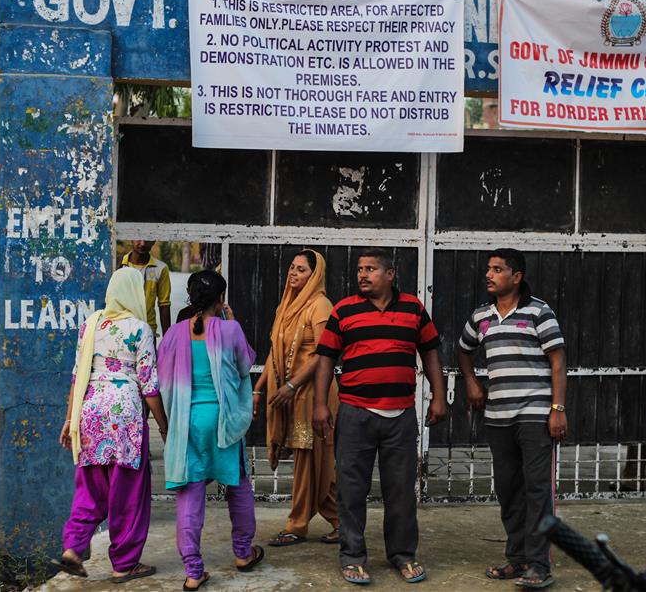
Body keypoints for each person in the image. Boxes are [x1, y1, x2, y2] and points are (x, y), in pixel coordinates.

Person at [313, 248, 447, 585]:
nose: (363, 274)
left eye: (371, 269)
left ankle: (402, 554)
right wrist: (320, 404)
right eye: (360, 269)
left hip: (400, 415)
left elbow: (431, 352)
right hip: (355, 413)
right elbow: (326, 358)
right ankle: (352, 557)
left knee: (401, 491)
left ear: (390, 275)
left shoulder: (413, 308)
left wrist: (438, 396)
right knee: (351, 491)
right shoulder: (344, 310)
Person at [457, 248, 566, 590]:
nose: (488, 275)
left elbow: (558, 361)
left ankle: (539, 565)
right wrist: (471, 382)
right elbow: (463, 349)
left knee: (537, 491)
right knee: (508, 490)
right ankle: (517, 558)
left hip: (535, 415)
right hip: (497, 417)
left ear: (516, 276)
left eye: (497, 269)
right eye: (488, 269)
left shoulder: (538, 311)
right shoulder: (481, 316)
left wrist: (558, 409)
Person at [53, 267, 169, 584]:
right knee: (128, 493)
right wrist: (163, 424)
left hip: (90, 413)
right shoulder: (140, 329)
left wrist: (69, 419)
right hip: (124, 417)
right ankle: (125, 564)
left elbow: (77, 376)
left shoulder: (91, 324)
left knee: (90, 487)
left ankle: (74, 548)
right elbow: (149, 385)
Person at [157, 270, 264, 591]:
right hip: (223, 420)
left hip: (187, 422)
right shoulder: (230, 330)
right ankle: (243, 553)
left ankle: (193, 571)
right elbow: (245, 365)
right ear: (220, 299)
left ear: (191, 298)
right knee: (237, 484)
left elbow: (162, 378)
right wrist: (231, 319)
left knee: (190, 492)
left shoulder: (174, 334)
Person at [253, 249, 341, 547]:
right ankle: (342, 521)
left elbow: (324, 353)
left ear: (314, 275)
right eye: (292, 267)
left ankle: (296, 525)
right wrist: (258, 388)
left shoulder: (320, 305)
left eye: (301, 269)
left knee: (309, 460)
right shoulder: (287, 306)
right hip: (291, 393)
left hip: (314, 393)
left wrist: (292, 385)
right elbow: (274, 353)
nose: (293, 273)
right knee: (316, 463)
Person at [121, 240, 171, 338]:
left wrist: (167, 338)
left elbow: (164, 305)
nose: (143, 243)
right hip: (122, 329)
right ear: (131, 239)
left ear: (154, 241)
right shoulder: (119, 265)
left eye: (147, 239)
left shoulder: (160, 268)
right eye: (139, 238)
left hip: (148, 330)